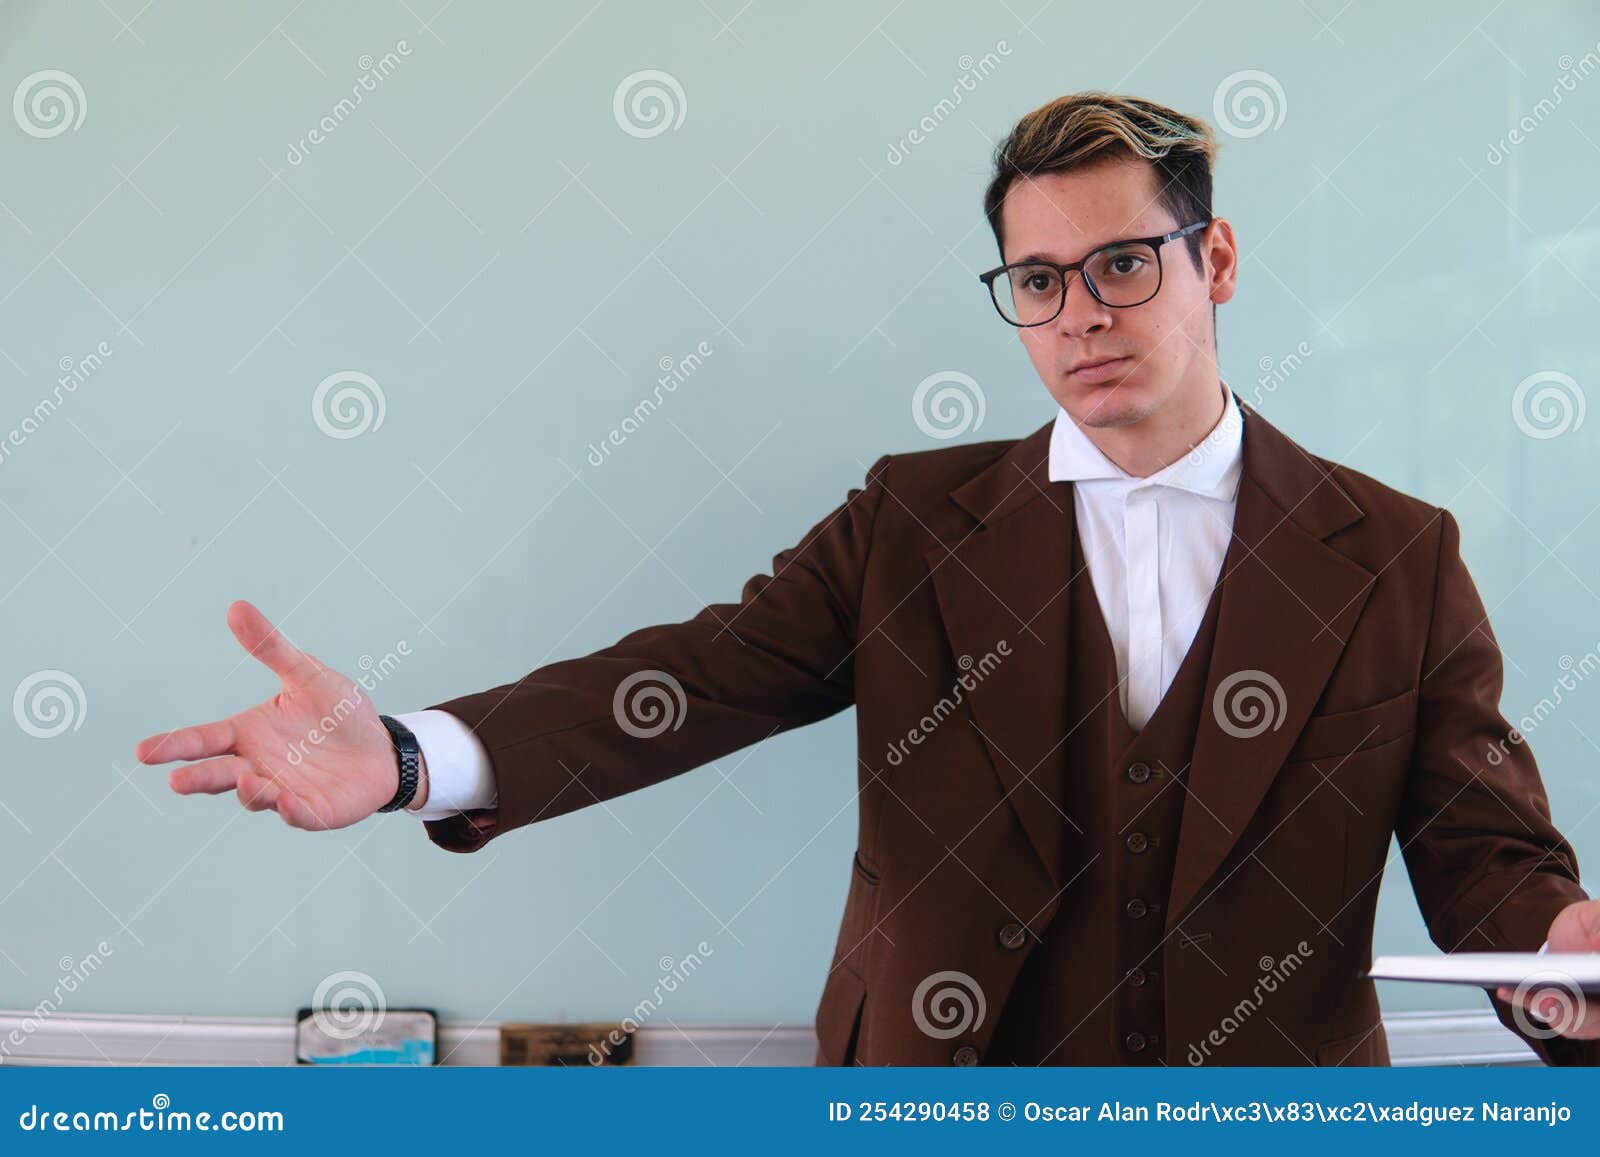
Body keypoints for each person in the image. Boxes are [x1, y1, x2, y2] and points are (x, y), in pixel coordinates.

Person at [136, 91, 1600, 1065]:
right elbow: (693, 682)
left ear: (1213, 258)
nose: (1080, 312)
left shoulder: (1398, 552)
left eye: (1124, 265)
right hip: (931, 1099)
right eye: (1038, 281)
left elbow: (1483, 848)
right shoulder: (913, 523)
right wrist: (406, 757)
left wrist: (1557, 952)